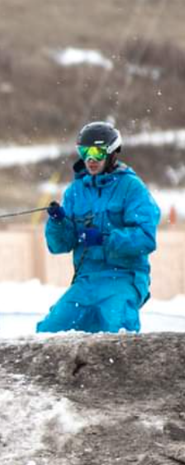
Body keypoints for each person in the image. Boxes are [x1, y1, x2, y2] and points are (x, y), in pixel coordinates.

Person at [36, 121, 159, 333]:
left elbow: (146, 238)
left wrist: (105, 238)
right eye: (84, 152)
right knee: (50, 331)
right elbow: (59, 246)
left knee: (116, 328)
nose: (90, 159)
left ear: (111, 153)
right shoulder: (75, 191)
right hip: (87, 280)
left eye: (97, 152)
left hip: (124, 277)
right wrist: (58, 223)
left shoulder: (131, 188)